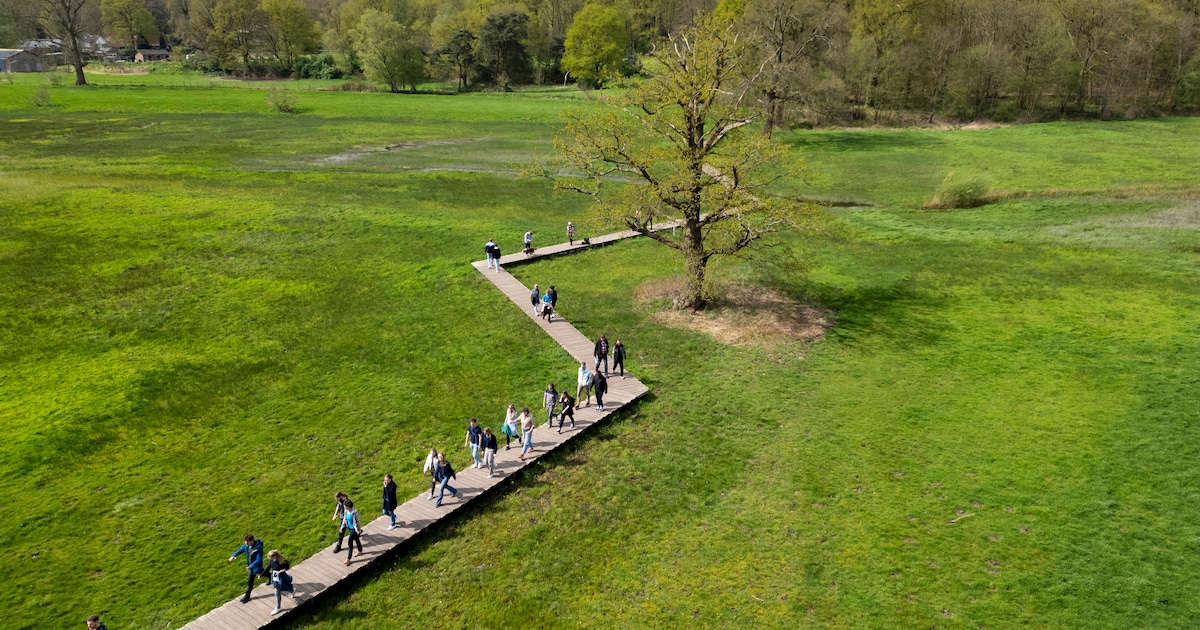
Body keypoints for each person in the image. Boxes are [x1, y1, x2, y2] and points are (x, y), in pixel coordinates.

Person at [228, 533, 265, 603]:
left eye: (247, 543)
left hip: (255, 566)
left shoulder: (258, 548)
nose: (246, 545)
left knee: (250, 581)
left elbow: (259, 560)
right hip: (251, 566)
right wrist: (233, 555)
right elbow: (240, 550)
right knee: (264, 573)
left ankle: (247, 596)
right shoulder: (247, 546)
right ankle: (274, 577)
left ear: (252, 541)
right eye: (245, 543)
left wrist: (250, 566)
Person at [266, 549, 293, 615]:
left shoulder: (282, 561)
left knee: (283, 587)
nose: (270, 559)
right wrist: (261, 575)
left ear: (274, 556)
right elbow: (268, 568)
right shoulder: (272, 561)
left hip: (282, 576)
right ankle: (278, 607)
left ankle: (292, 590)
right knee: (276, 591)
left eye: (271, 557)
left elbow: (287, 567)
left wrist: (280, 571)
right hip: (275, 577)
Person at [342, 500, 363, 565]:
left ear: (348, 506)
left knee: (350, 543)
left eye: (344, 506)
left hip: (354, 529)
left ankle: (348, 558)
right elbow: (345, 519)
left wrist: (358, 530)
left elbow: (358, 521)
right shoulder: (346, 511)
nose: (344, 507)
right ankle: (360, 551)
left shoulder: (354, 512)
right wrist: (342, 527)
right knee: (356, 539)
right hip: (350, 528)